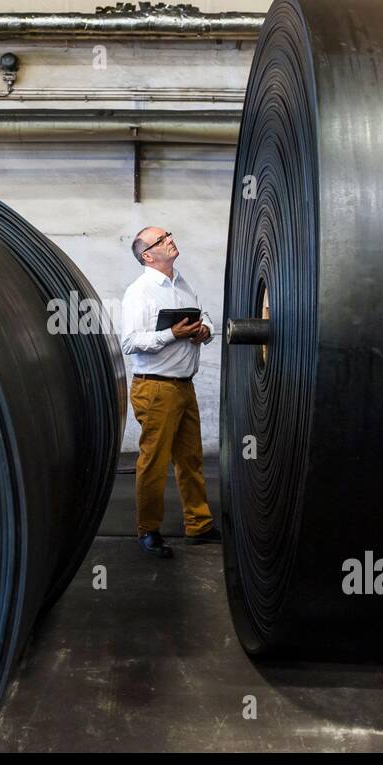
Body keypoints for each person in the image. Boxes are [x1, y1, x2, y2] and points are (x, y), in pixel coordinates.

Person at [120, 227, 222, 559]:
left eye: (168, 235)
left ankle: (199, 525)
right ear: (148, 255)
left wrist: (203, 329)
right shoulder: (140, 292)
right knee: (154, 462)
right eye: (161, 239)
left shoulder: (182, 283)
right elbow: (130, 341)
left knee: (190, 459)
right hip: (155, 388)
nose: (170, 240)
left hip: (183, 385)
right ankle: (148, 530)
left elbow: (201, 313)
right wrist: (172, 335)